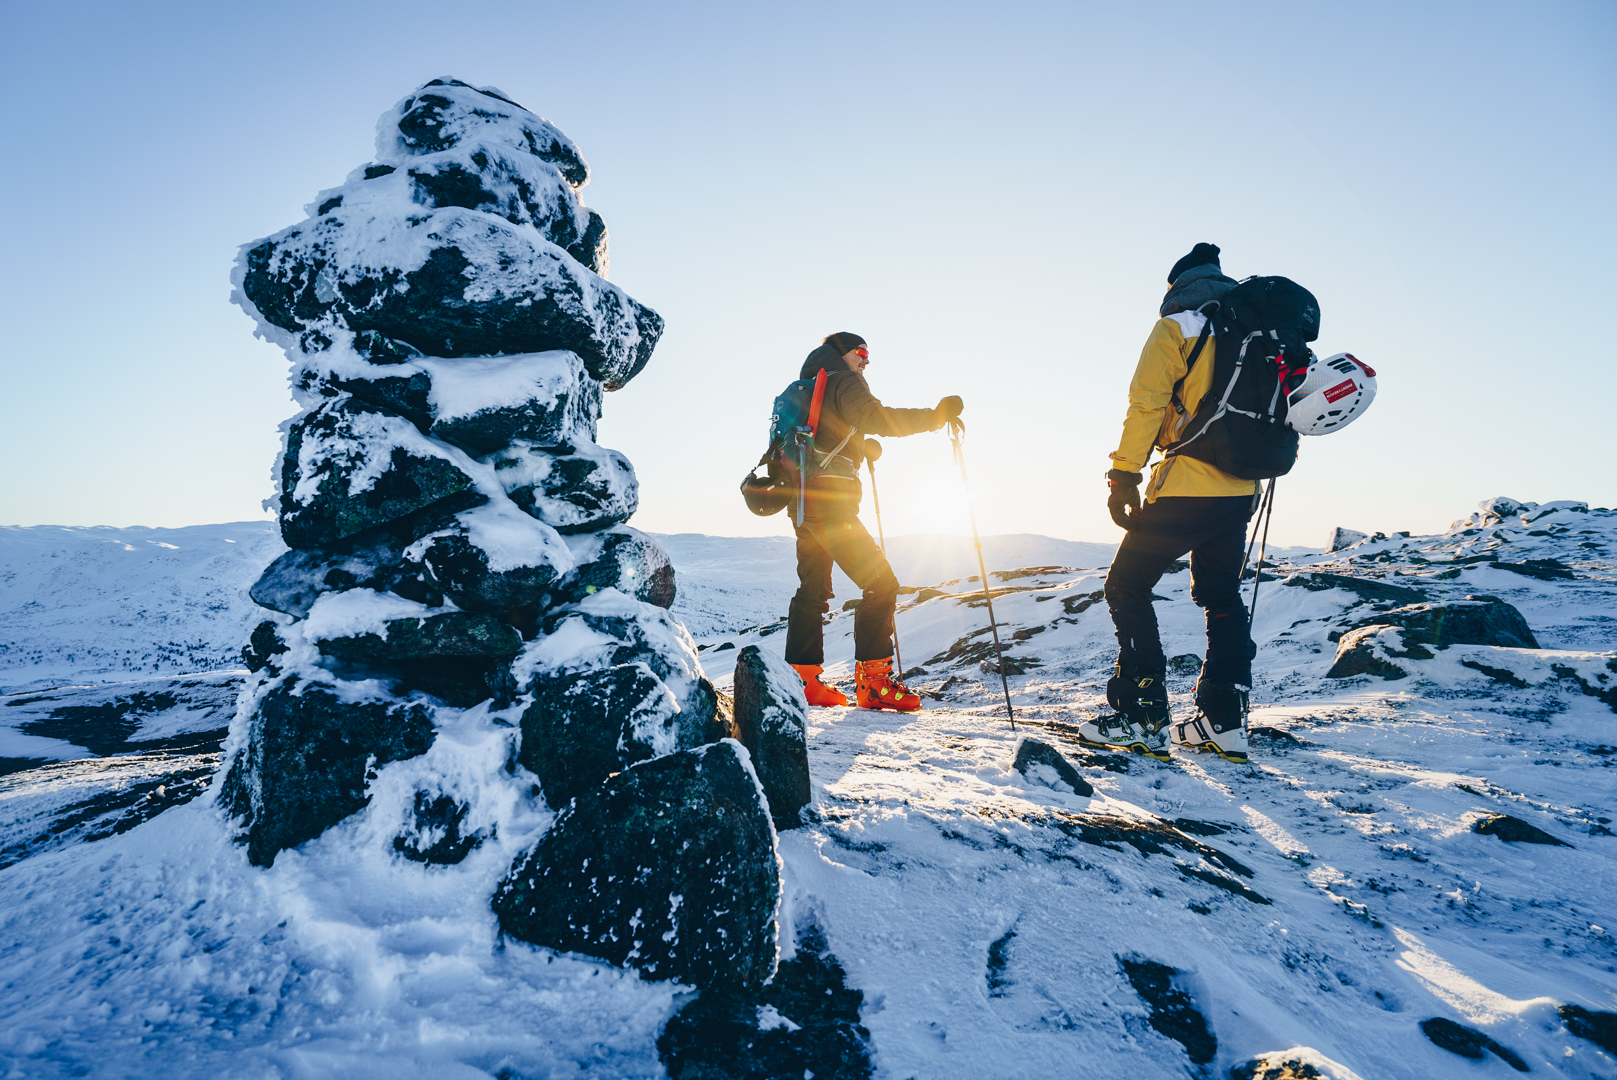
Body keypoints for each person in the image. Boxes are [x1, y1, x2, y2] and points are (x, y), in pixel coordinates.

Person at [1080, 244, 1258, 764]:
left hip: (1185, 485)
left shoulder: (1178, 327)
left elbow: (1147, 403)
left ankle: (1141, 715)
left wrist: (1123, 474)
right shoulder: (1258, 335)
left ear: (1177, 286)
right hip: (1241, 492)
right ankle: (1223, 722)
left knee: (1126, 585)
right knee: (1223, 597)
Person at [784, 332, 963, 711]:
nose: (866, 361)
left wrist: (857, 446)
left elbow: (823, 434)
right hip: (831, 505)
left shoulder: (809, 383)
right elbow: (878, 417)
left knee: (812, 591)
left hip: (803, 500)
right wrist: (936, 417)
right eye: (861, 353)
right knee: (881, 583)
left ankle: (803, 680)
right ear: (843, 353)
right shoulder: (843, 378)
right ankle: (875, 683)